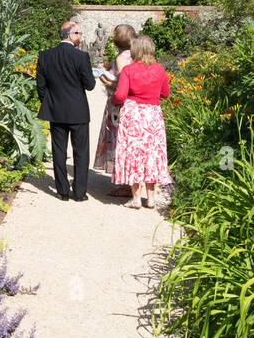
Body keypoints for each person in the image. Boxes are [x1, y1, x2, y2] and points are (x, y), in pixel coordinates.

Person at [35, 19, 96, 201]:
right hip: (78, 112)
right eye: (78, 33)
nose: (80, 36)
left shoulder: (45, 55)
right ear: (70, 35)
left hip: (56, 111)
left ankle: (62, 191)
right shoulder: (81, 57)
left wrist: (49, 102)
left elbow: (40, 85)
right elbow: (90, 85)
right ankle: (79, 192)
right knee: (81, 152)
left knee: (59, 151)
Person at [111, 33, 172, 209]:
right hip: (153, 115)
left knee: (133, 154)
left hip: (133, 114)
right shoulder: (159, 69)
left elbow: (121, 95)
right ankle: (150, 199)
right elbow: (165, 93)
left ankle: (136, 199)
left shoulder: (129, 70)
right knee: (151, 155)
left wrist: (114, 101)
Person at [94, 23, 136, 196]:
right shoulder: (134, 54)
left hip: (119, 104)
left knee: (119, 140)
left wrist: (103, 78)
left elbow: (123, 84)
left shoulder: (121, 58)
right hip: (127, 103)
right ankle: (127, 182)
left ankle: (126, 185)